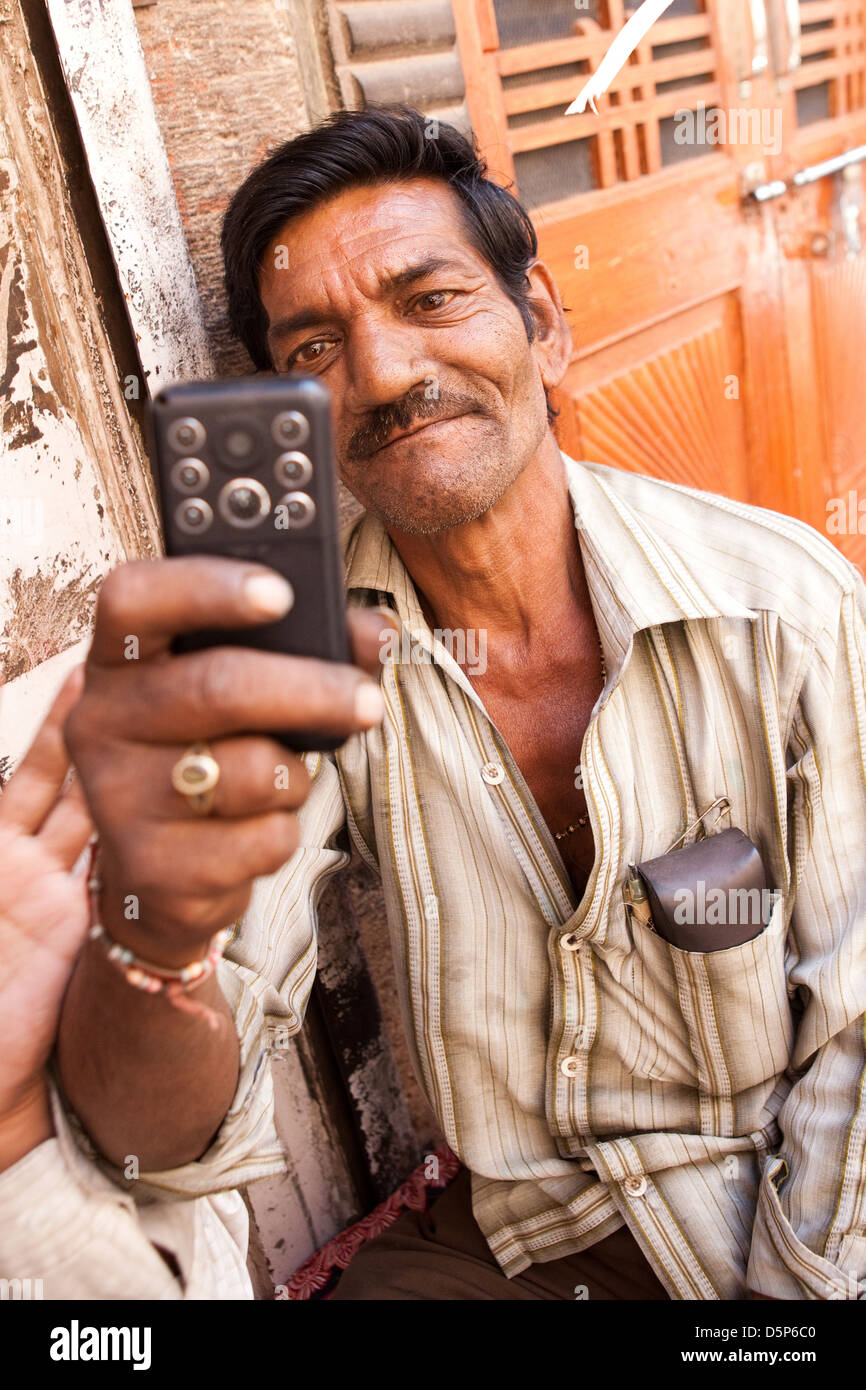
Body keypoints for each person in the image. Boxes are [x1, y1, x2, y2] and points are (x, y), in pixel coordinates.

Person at [3, 106, 864, 1300]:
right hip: (523, 1245)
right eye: (314, 347)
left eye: (428, 299)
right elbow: (158, 1144)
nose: (388, 374)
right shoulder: (300, 671)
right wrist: (153, 937)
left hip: (783, 1217)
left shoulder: (786, 604)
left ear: (542, 324)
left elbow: (855, 1036)